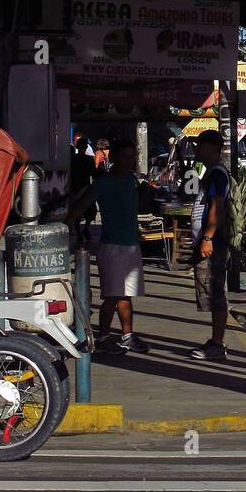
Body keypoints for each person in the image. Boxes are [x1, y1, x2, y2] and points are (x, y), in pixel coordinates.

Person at [68, 137, 149, 356]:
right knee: (112, 296)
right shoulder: (103, 182)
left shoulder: (132, 180)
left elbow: (134, 207)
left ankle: (127, 335)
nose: (130, 161)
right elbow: (81, 205)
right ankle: (103, 337)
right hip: (112, 246)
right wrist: (66, 228)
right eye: (125, 156)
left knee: (126, 295)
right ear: (113, 158)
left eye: (132, 157)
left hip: (131, 244)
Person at [189, 130, 232, 363]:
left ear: (213, 149)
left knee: (215, 293)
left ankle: (217, 343)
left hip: (212, 244)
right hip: (209, 242)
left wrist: (207, 238)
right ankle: (216, 341)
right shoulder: (211, 174)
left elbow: (216, 207)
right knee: (212, 292)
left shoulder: (216, 175)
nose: (197, 149)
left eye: (201, 146)